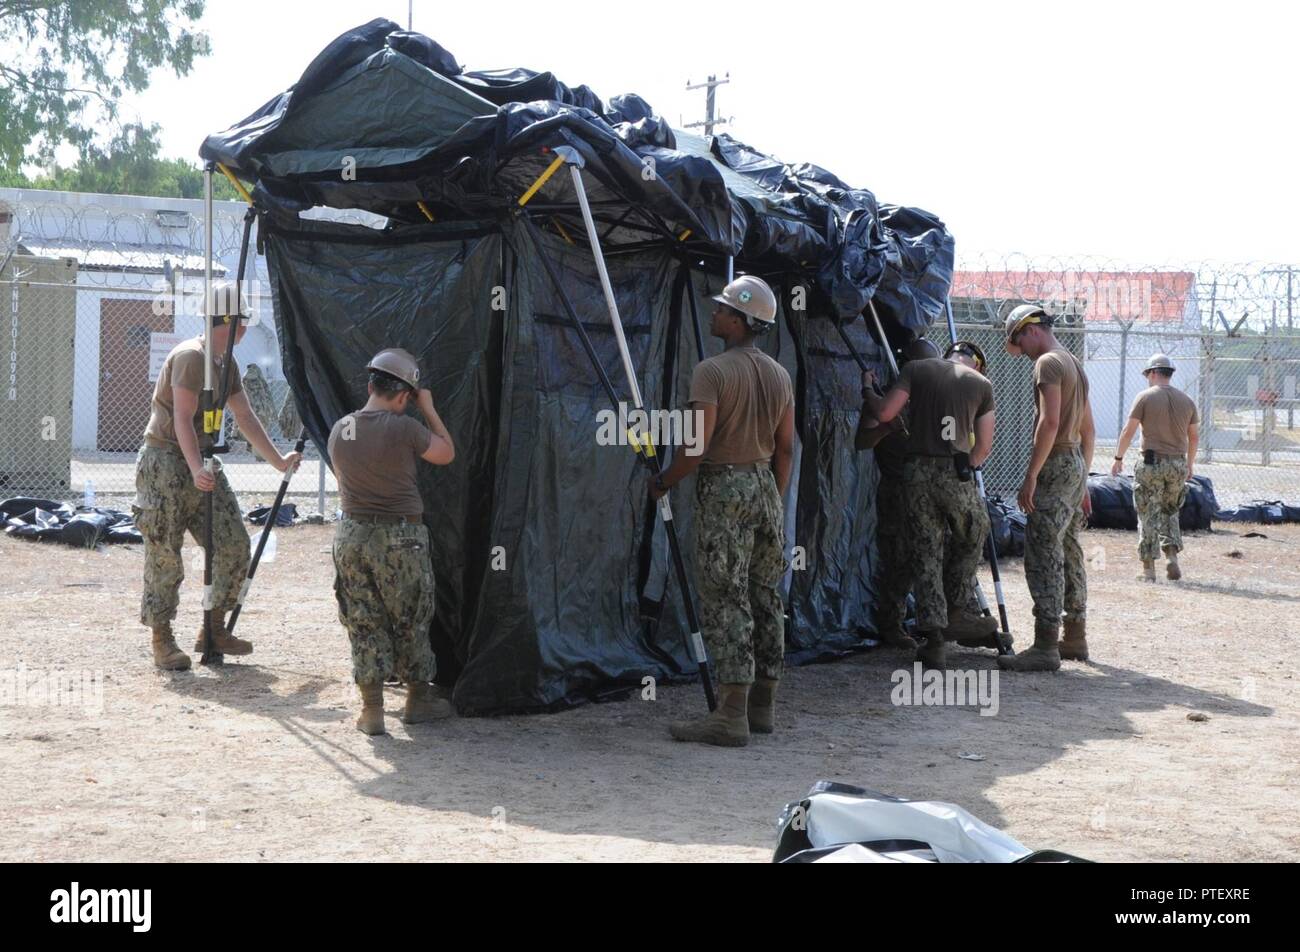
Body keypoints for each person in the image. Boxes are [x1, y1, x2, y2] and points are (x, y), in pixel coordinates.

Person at [649, 275, 794, 747]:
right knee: (764, 594)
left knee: (725, 595)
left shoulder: (710, 372)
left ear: (739, 320)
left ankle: (730, 715)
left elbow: (696, 446)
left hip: (725, 486)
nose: (713, 314)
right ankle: (763, 706)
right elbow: (786, 447)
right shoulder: (779, 373)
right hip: (764, 486)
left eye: (721, 309)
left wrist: (663, 481)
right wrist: (774, 495)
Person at [134, 280, 301, 671]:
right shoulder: (192, 357)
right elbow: (180, 420)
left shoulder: (229, 364)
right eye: (240, 322)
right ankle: (163, 638)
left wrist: (277, 460)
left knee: (233, 543)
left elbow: (244, 416)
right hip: (167, 462)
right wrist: (195, 469)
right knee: (165, 553)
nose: (244, 329)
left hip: (202, 461)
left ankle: (213, 627)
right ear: (227, 322)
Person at [328, 348, 456, 736]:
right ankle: (418, 700)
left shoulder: (340, 428)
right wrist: (429, 410)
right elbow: (446, 453)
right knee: (411, 619)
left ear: (370, 385)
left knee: (363, 621)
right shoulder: (405, 428)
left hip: (351, 536)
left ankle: (372, 710)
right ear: (405, 396)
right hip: (402, 538)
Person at [861, 338, 996, 670]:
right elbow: (983, 450)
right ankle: (956, 610)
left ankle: (935, 640)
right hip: (955, 473)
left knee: (925, 554)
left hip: (916, 475)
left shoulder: (914, 372)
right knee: (973, 534)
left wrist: (868, 390)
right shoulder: (981, 384)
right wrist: (965, 466)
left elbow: (884, 412)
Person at [999, 304, 1095, 670]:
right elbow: (1088, 431)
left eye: (1018, 341)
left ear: (1031, 330)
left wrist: (1031, 475)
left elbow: (1049, 422)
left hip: (1055, 463)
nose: (1020, 351)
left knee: (1043, 550)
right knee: (1068, 547)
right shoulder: (1073, 363)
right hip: (1073, 464)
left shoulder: (1048, 364)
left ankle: (1044, 646)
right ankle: (1074, 636)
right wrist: (1083, 478)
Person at [1111, 353, 1199, 581]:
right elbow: (1194, 437)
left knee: (1147, 513)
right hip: (1178, 463)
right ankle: (1171, 556)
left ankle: (1148, 569)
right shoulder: (1187, 400)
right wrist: (1189, 464)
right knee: (1170, 510)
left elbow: (1128, 431)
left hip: (1151, 463)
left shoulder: (1145, 397)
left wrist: (1118, 457)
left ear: (1152, 373)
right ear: (1170, 374)